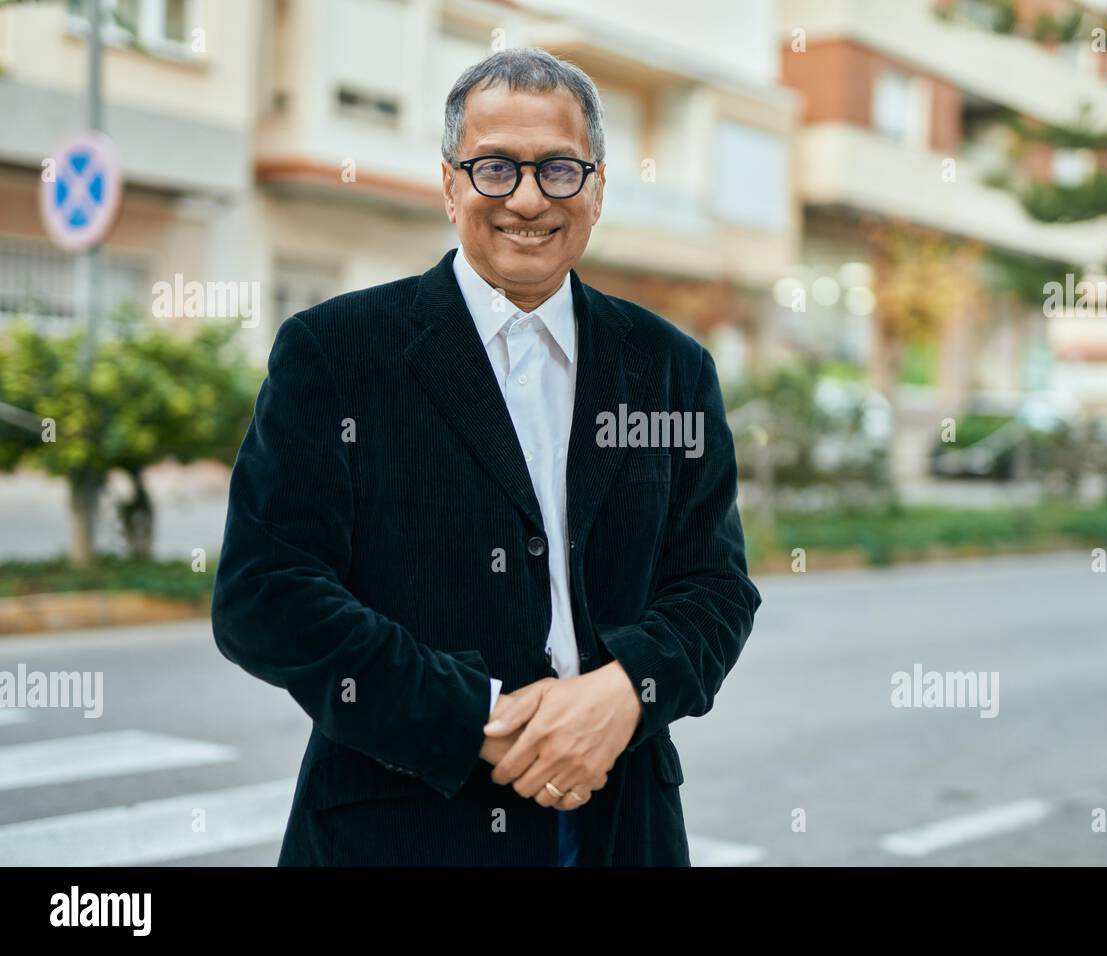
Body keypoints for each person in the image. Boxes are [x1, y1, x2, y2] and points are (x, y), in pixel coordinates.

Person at [211, 47, 760, 866]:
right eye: (495, 168)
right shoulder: (337, 353)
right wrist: (480, 718)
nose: (529, 199)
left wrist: (624, 691)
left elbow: (714, 589)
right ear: (449, 184)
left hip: (619, 825)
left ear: (599, 187)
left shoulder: (671, 368)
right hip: (400, 827)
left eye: (560, 170)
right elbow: (267, 595)